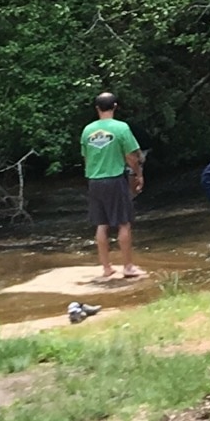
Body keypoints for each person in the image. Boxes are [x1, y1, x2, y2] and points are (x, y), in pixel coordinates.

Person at [80, 92, 145, 280]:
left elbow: (86, 157)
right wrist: (138, 175)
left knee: (102, 224)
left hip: (94, 180)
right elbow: (131, 156)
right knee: (123, 222)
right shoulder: (121, 128)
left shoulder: (87, 131)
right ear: (115, 106)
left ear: (97, 109)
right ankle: (128, 267)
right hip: (115, 179)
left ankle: (106, 267)